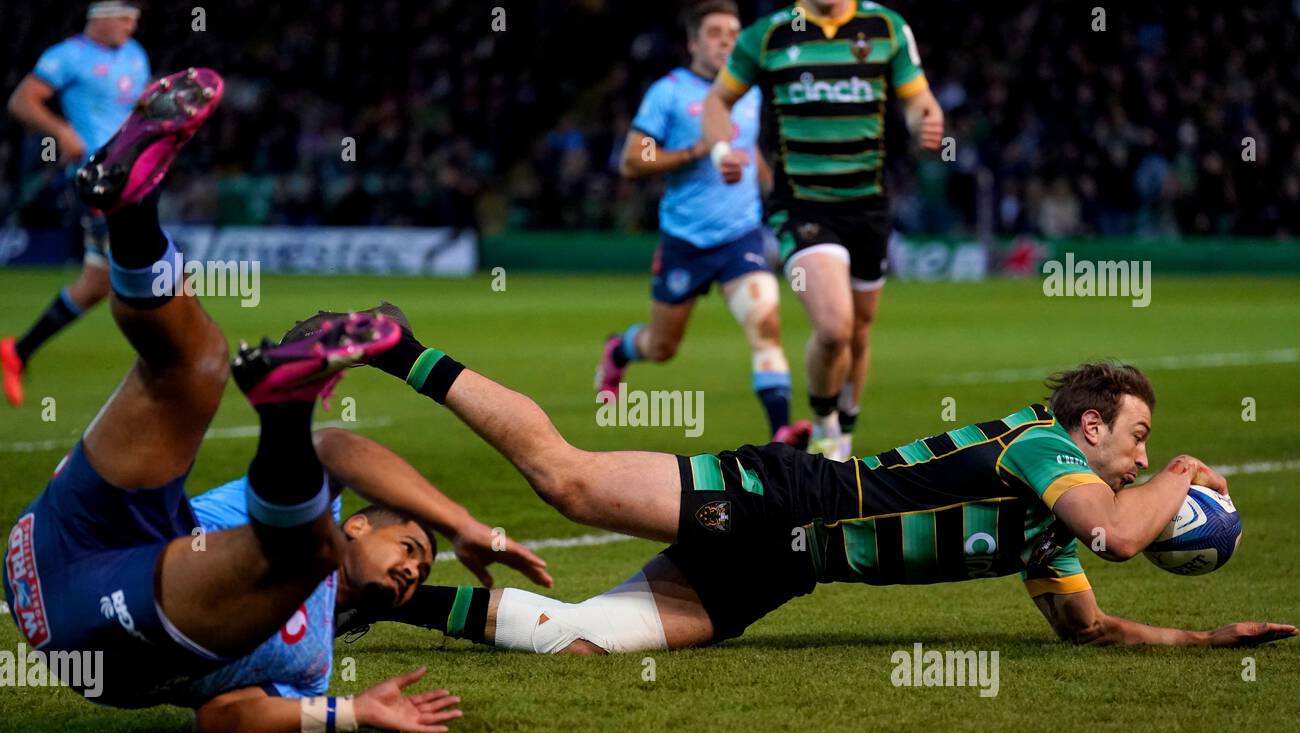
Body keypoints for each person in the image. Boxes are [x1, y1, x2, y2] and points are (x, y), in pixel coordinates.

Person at [2, 69, 546, 733]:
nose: (411, 571)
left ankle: (285, 398)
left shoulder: (315, 665)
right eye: (409, 547)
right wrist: (462, 522)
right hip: (73, 533)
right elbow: (335, 450)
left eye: (416, 571)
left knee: (296, 543)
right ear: (356, 526)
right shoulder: (315, 539)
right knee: (194, 364)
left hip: (88, 621)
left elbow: (224, 714)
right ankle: (128, 209)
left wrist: (353, 710)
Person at [322, 308, 1294, 655]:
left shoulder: (1048, 526)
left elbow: (1088, 623)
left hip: (785, 570)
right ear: (1090, 426)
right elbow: (1118, 531)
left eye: (1149, 446)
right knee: (567, 484)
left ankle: (372, 600)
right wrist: (1171, 479)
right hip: (781, 498)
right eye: (1136, 438)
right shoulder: (1044, 448)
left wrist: (1203, 635)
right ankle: (395, 344)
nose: (1141, 455)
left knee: (585, 639)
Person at [701, 0, 946, 460]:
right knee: (834, 327)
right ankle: (823, 424)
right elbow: (718, 99)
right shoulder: (769, 36)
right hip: (802, 206)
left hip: (868, 206)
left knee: (859, 332)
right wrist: (720, 152)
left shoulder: (886, 28)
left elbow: (918, 100)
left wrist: (925, 125)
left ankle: (845, 427)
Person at [598, 0, 810, 447]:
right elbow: (634, 159)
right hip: (686, 240)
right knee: (662, 347)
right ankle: (619, 350)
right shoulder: (669, 92)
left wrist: (776, 193)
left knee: (765, 326)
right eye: (715, 33)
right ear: (693, 42)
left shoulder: (747, 92)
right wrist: (693, 152)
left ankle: (782, 435)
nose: (727, 41)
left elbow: (748, 149)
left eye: (734, 33)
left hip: (741, 236)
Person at [3, 1, 150, 407]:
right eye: (124, 17)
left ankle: (18, 351)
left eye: (135, 19)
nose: (131, 26)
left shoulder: (135, 56)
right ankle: (162, 372)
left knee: (96, 285)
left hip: (135, 181)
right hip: (98, 183)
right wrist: (61, 131)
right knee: (156, 272)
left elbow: (138, 114)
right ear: (98, 16)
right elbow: (22, 101)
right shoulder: (66, 56)